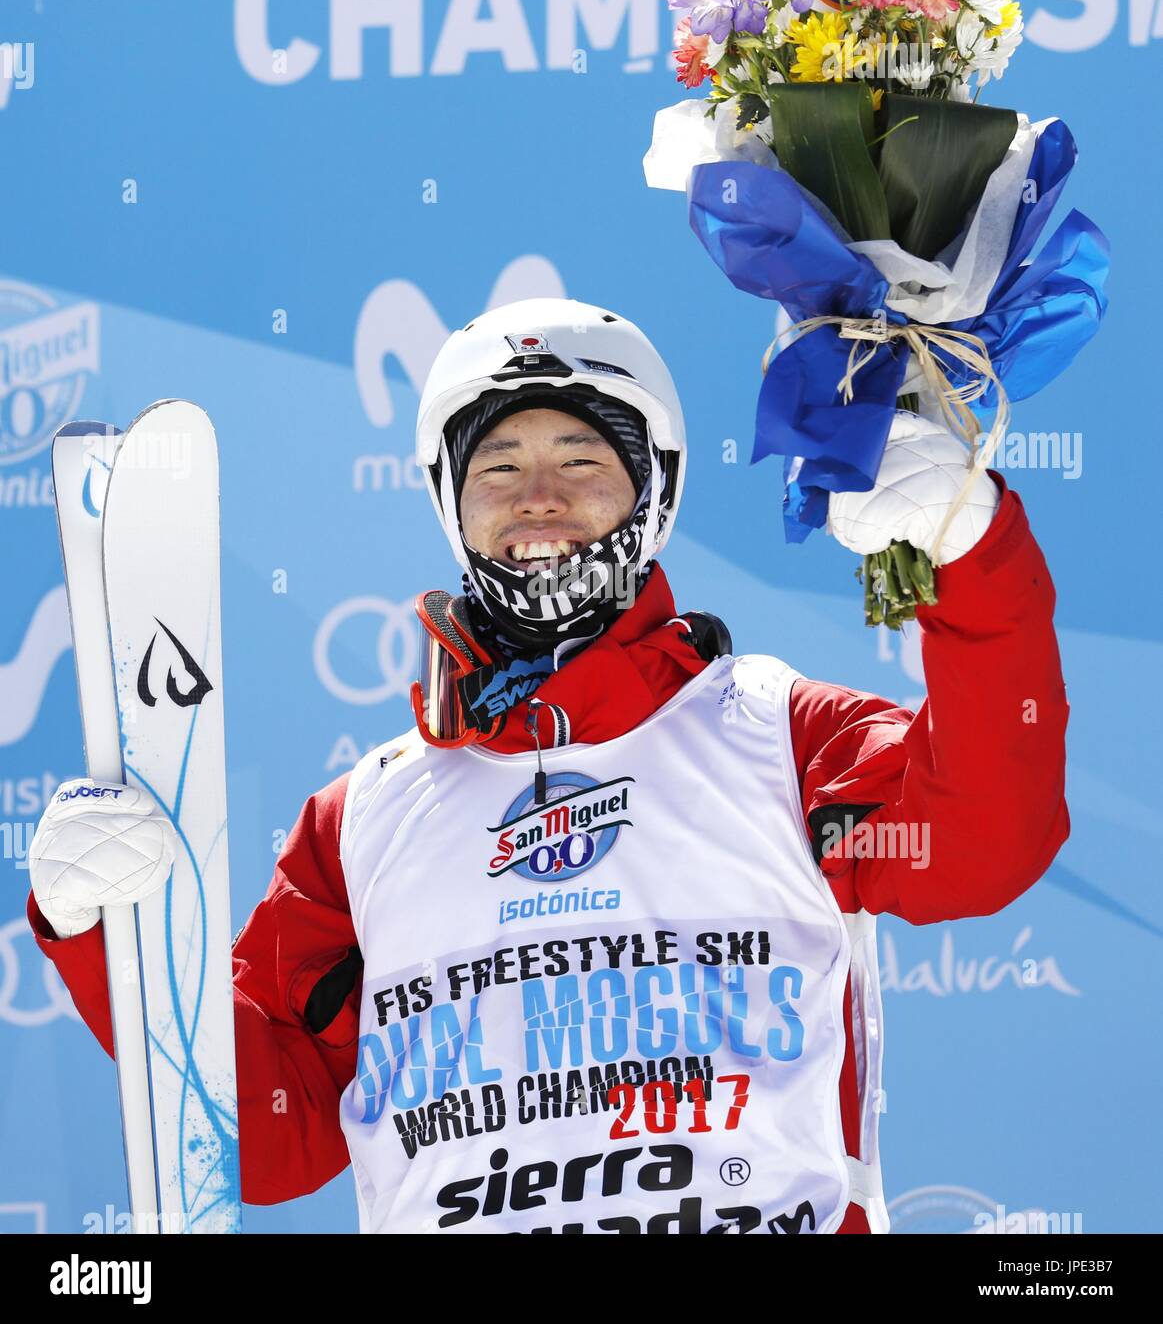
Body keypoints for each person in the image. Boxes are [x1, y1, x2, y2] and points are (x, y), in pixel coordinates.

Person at [26, 297, 1069, 1235]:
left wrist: (967, 553)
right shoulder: (359, 820)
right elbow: (266, 1132)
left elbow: (980, 843)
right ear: (450, 502)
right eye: (497, 466)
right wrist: (112, 938)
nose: (537, 497)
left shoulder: (775, 734)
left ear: (650, 492)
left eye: (580, 461)